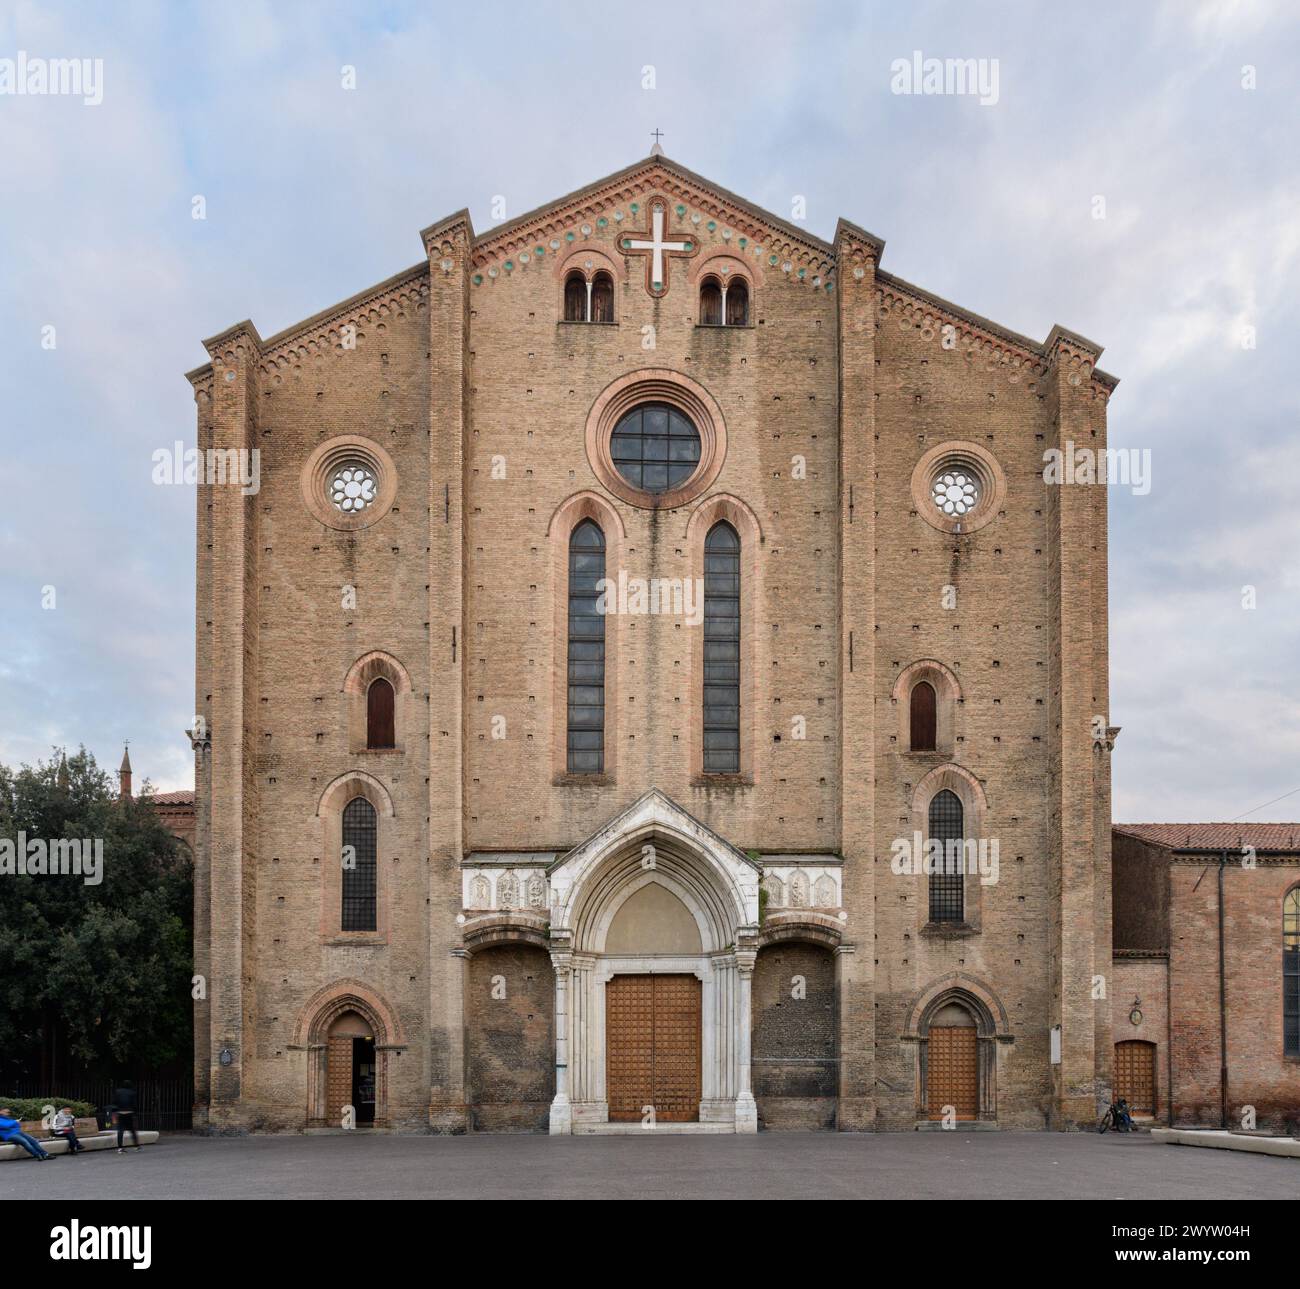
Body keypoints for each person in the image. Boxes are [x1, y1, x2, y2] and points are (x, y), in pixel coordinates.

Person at [113, 1081, 140, 1153]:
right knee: (132, 1130)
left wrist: (117, 1110)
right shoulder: (132, 1092)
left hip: (120, 1112)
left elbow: (114, 1102)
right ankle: (136, 1146)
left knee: (120, 1130)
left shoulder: (117, 1092)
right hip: (129, 1112)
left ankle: (120, 1148)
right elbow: (134, 1104)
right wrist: (135, 1113)